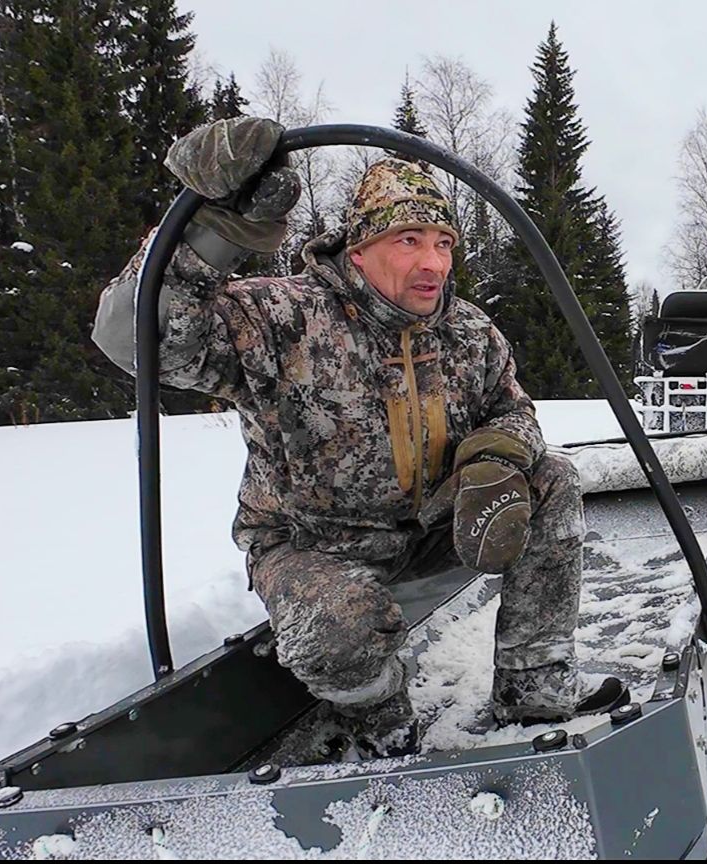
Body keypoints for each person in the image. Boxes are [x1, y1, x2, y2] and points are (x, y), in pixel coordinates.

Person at [92, 116, 625, 759]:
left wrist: (496, 460)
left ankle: (535, 688)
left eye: (444, 242)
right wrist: (210, 231)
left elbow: (513, 411)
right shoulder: (282, 317)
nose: (432, 263)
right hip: (314, 546)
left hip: (428, 532)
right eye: (408, 240)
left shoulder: (470, 331)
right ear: (358, 249)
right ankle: (382, 721)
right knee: (335, 631)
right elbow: (135, 344)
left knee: (552, 479)